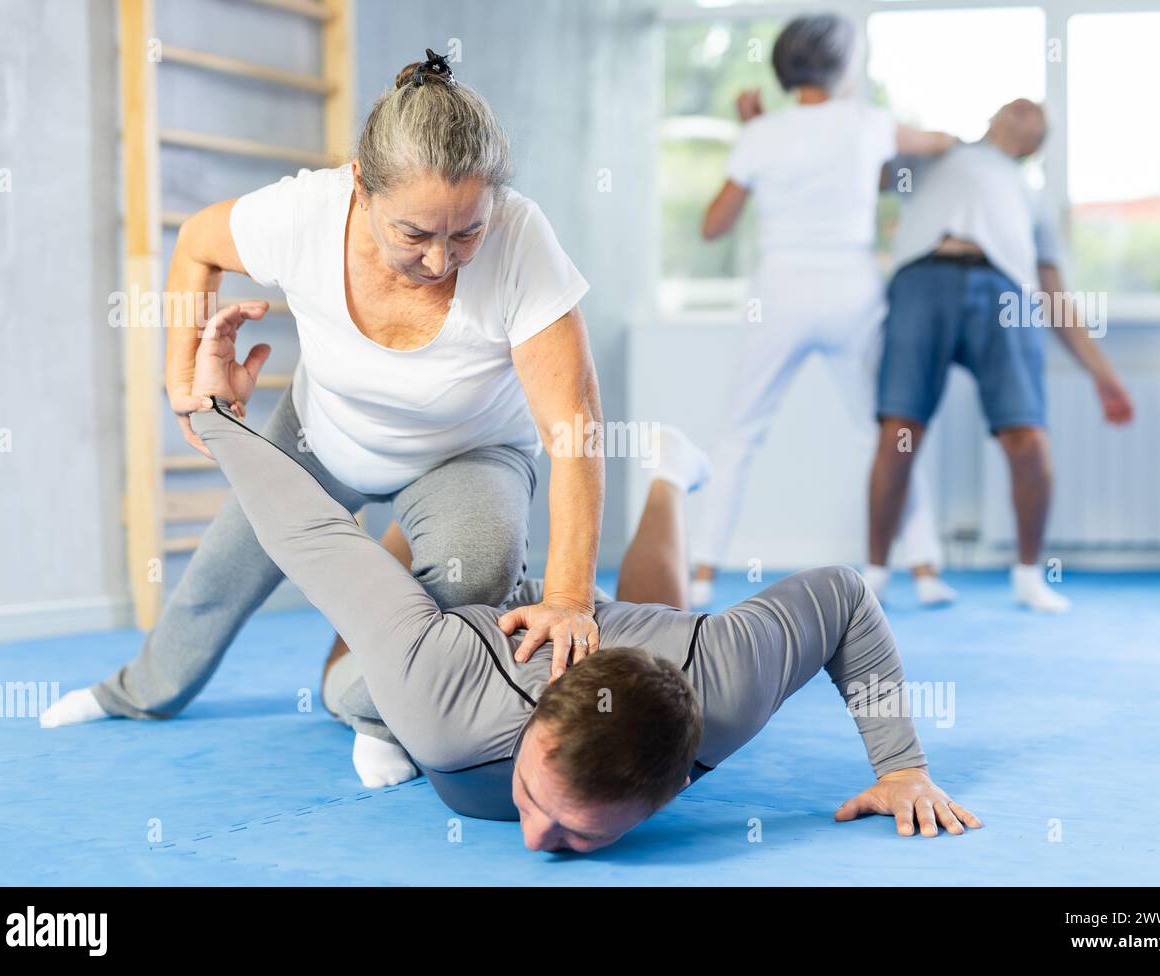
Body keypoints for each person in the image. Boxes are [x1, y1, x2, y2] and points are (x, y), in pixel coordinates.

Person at [180, 305, 980, 852]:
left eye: (581, 836)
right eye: (535, 802)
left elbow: (844, 598)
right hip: (463, 644)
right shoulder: (438, 696)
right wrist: (217, 420)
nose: (536, 841)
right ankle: (415, 519)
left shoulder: (726, 686)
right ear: (538, 739)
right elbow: (315, 536)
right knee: (346, 690)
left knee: (666, 613)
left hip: (624, 636)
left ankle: (668, 472)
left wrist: (900, 766)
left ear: (673, 785)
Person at [43, 50, 607, 746]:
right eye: (415, 234)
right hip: (321, 435)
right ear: (361, 187)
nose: (440, 260)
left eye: (467, 233)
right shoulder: (305, 214)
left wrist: (569, 600)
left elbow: (574, 431)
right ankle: (134, 692)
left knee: (476, 570)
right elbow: (195, 244)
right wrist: (182, 377)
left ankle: (382, 715)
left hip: (469, 452)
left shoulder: (523, 241)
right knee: (221, 573)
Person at [691, 13, 960, 610]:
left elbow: (714, 226)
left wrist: (756, 140)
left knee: (739, 436)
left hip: (779, 294)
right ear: (843, 68)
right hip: (853, 292)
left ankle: (702, 577)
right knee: (888, 432)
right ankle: (924, 573)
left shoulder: (762, 133)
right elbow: (941, 143)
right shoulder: (870, 124)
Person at [867, 99, 1135, 613]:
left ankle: (1029, 576)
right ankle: (875, 576)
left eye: (1036, 112)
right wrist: (920, 137)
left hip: (1006, 293)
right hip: (922, 281)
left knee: (1028, 438)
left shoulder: (1032, 196)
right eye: (1014, 104)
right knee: (898, 431)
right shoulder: (939, 156)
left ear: (1035, 145)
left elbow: (1054, 293)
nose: (1024, 107)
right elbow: (870, 168)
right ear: (991, 117)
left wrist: (1103, 375)